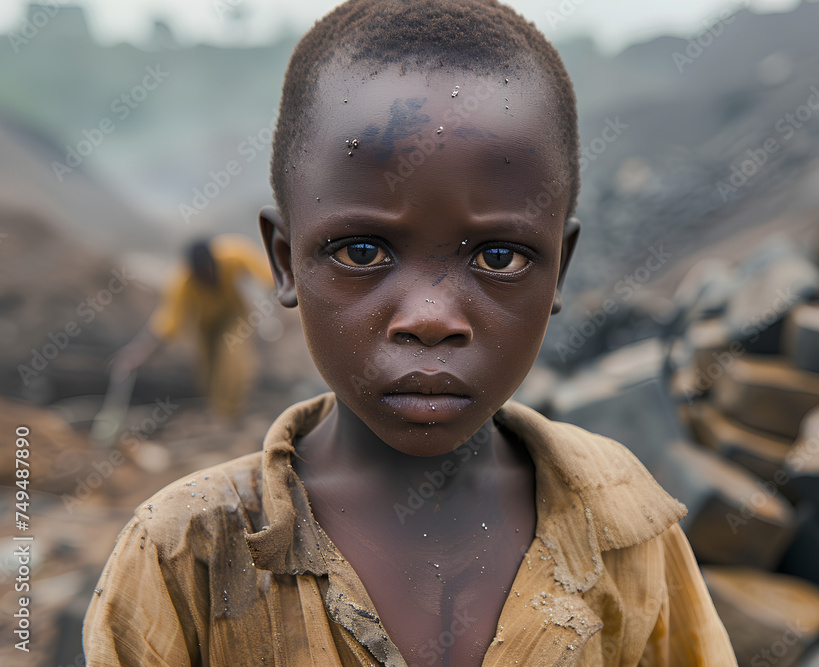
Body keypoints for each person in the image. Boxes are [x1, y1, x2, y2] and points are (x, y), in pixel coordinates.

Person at [83, 1, 737, 664]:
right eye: (362, 252)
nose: (430, 317)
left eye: (499, 257)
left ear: (559, 269)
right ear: (286, 260)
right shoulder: (184, 555)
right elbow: (169, 321)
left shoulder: (625, 520)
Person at [110, 234, 274, 420]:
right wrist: (137, 354)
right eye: (200, 273)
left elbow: (266, 273)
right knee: (208, 370)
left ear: (213, 262)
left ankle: (232, 413)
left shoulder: (232, 254)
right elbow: (166, 324)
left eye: (208, 270)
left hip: (234, 315)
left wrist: (281, 291)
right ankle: (219, 412)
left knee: (233, 357)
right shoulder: (181, 283)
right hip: (205, 325)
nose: (206, 276)